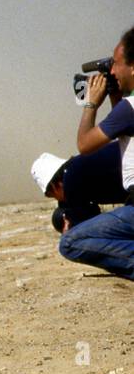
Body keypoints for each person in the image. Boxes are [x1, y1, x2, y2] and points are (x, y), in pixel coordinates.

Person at [57, 26, 134, 278]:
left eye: (116, 64)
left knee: (70, 243)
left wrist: (91, 103)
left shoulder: (130, 108)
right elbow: (123, 128)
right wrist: (115, 94)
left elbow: (85, 145)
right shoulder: (127, 110)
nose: (112, 71)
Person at [32, 144, 126, 233]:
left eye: (53, 196)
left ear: (53, 186)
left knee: (70, 242)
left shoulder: (71, 181)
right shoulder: (79, 166)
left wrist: (69, 225)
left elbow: (85, 227)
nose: (58, 200)